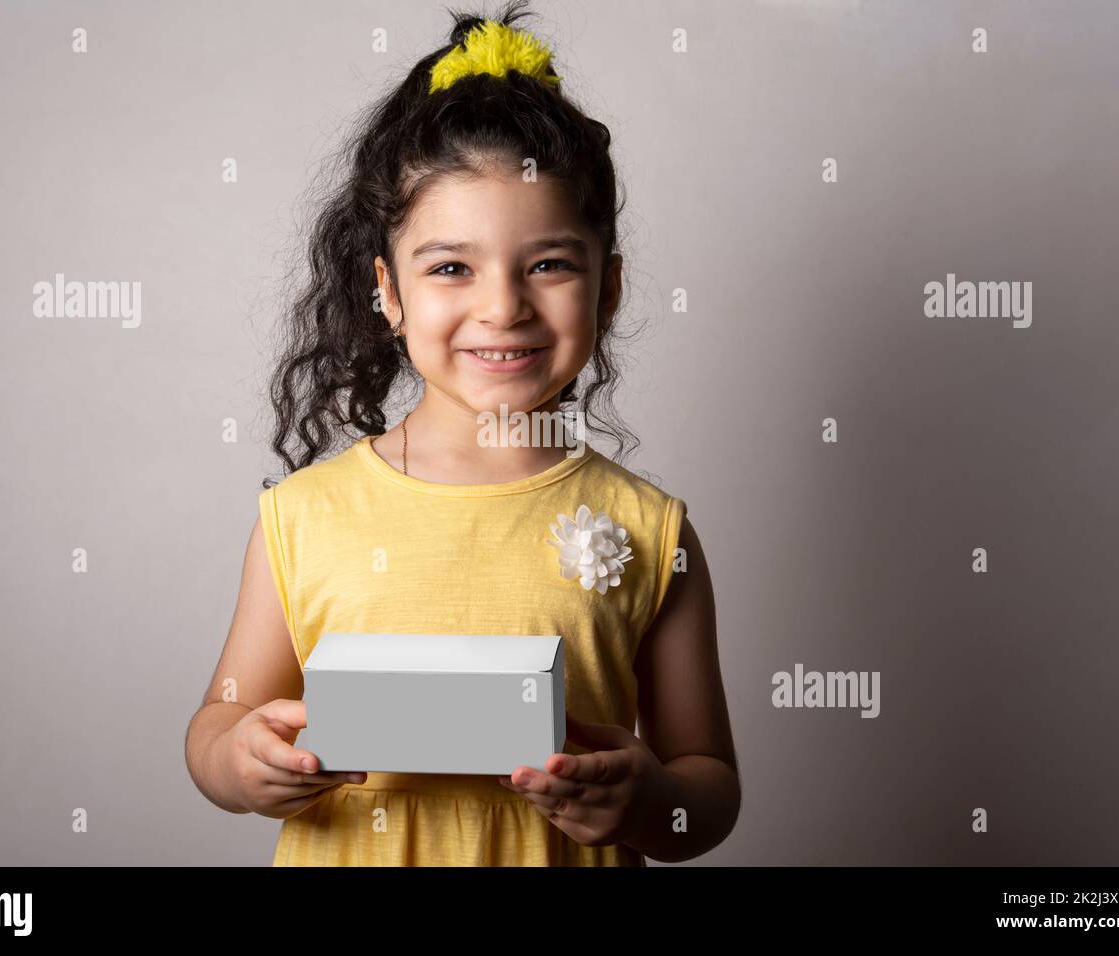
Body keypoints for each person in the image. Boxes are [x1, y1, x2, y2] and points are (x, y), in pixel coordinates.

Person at [185, 0, 739, 866]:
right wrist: (238, 760)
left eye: (549, 264)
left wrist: (651, 801)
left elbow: (706, 785)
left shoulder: (650, 530)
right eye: (451, 267)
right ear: (389, 292)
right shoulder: (303, 515)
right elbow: (219, 721)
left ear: (611, 289)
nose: (503, 306)